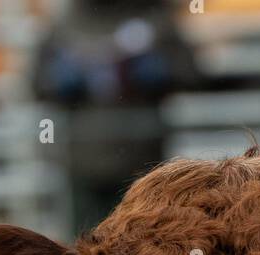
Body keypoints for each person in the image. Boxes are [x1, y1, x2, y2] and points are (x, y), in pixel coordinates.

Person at [32, 0, 200, 237]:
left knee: (142, 248)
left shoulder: (156, 20)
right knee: (85, 248)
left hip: (142, 161)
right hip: (84, 161)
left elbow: (191, 74)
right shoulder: (66, 25)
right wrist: (67, 79)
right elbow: (39, 84)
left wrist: (155, 70)